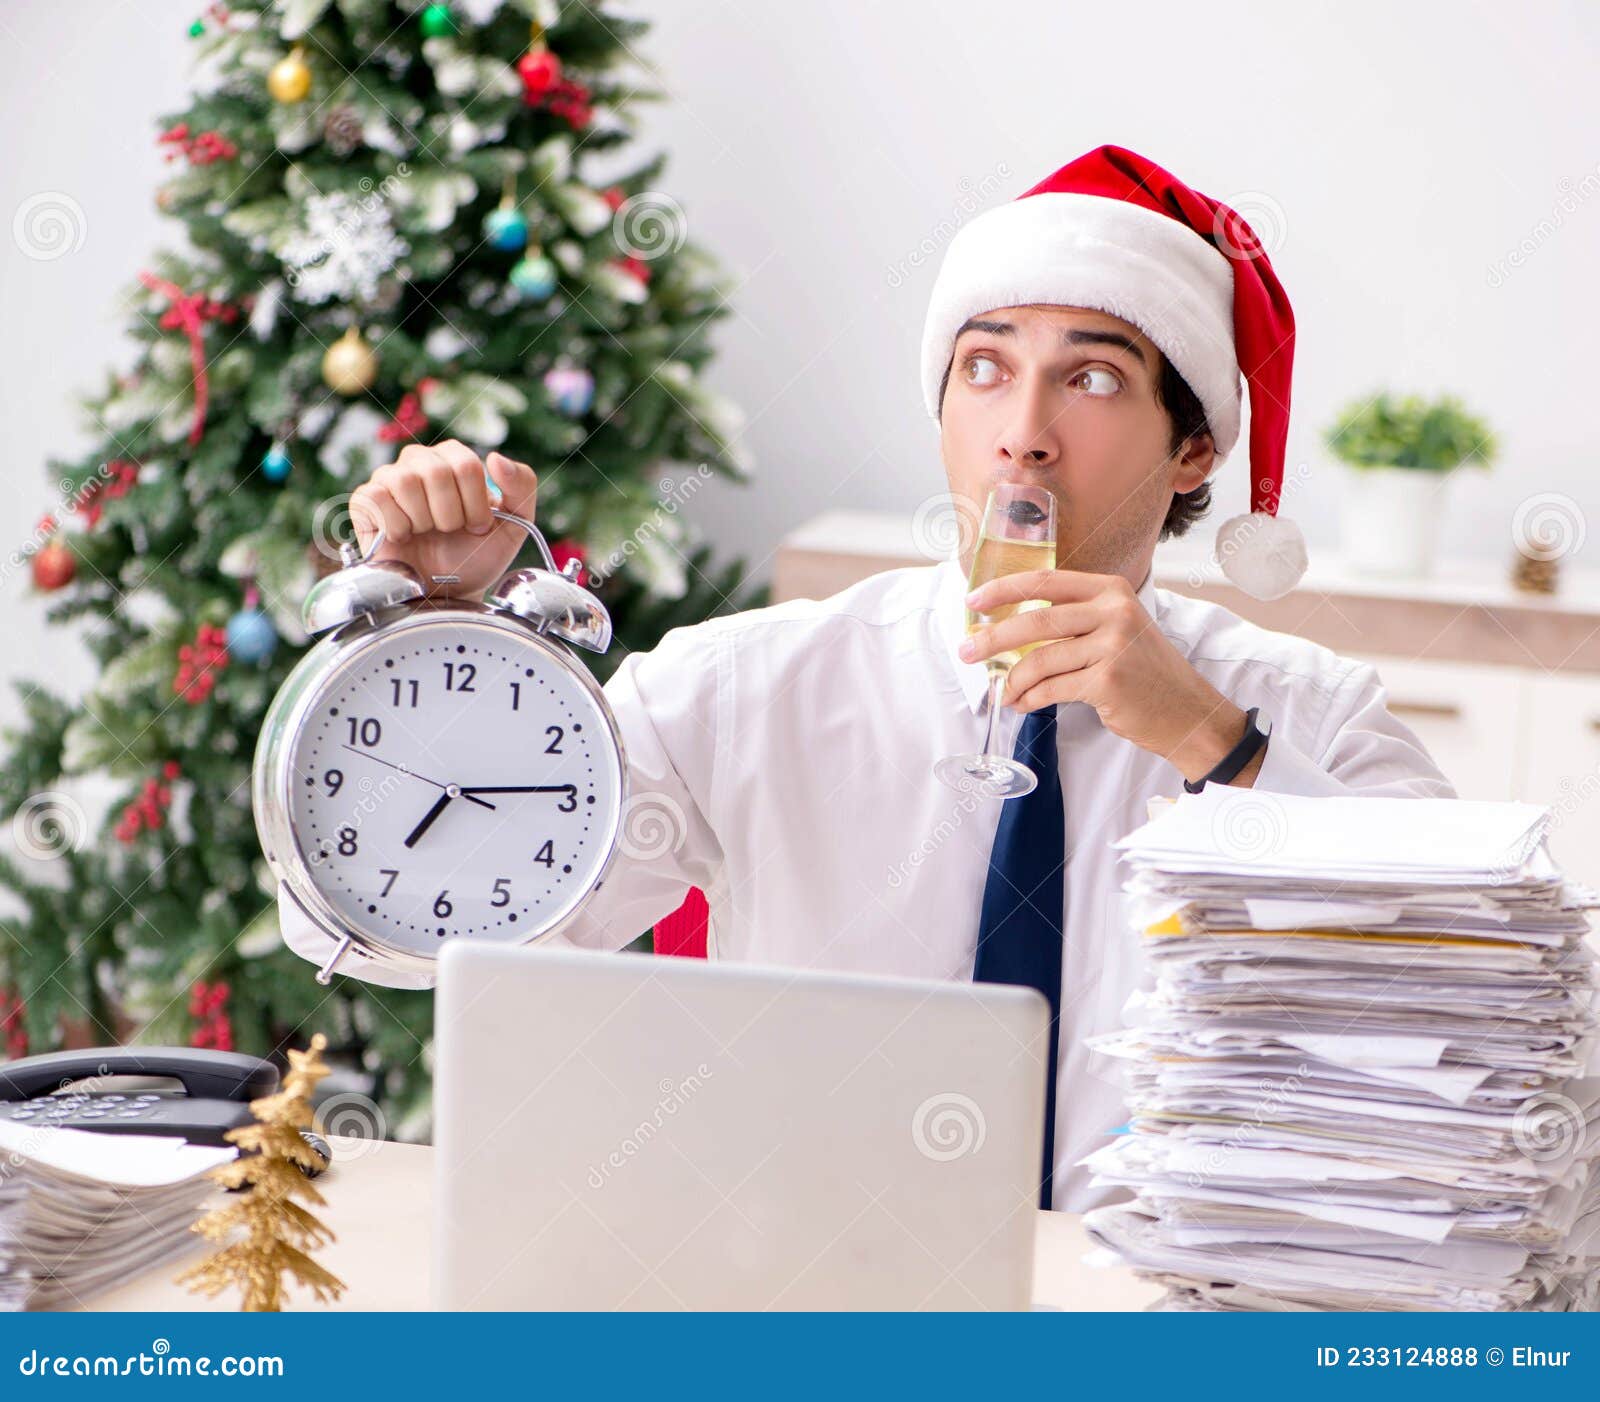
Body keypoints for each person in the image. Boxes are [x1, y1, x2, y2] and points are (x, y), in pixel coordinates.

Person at [336, 145, 1455, 1211]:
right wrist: (439, 646)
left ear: (1195, 447)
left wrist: (1220, 746)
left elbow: (1460, 1027)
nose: (1024, 434)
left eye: (1093, 377)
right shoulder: (744, 689)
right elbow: (409, 933)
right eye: (986, 368)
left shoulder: (1309, 713)